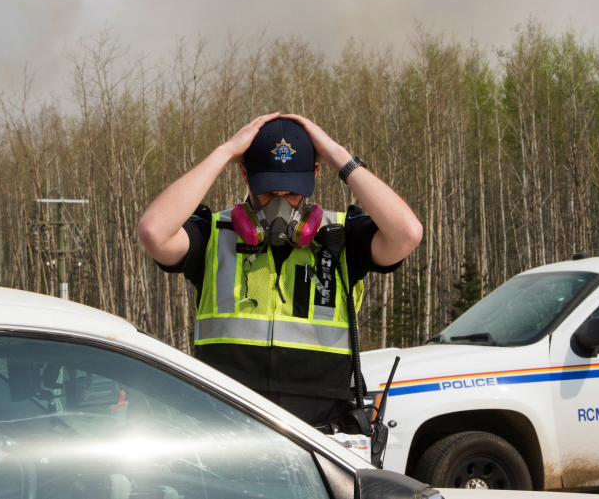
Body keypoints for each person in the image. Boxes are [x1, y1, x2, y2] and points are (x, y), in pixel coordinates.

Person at [137, 113, 423, 427]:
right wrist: (224, 153)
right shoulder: (212, 234)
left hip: (319, 440)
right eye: (269, 191)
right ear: (245, 175)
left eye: (291, 191)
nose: (280, 203)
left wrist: (339, 156)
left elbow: (407, 234)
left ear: (315, 175)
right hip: (225, 431)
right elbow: (153, 231)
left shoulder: (342, 235)